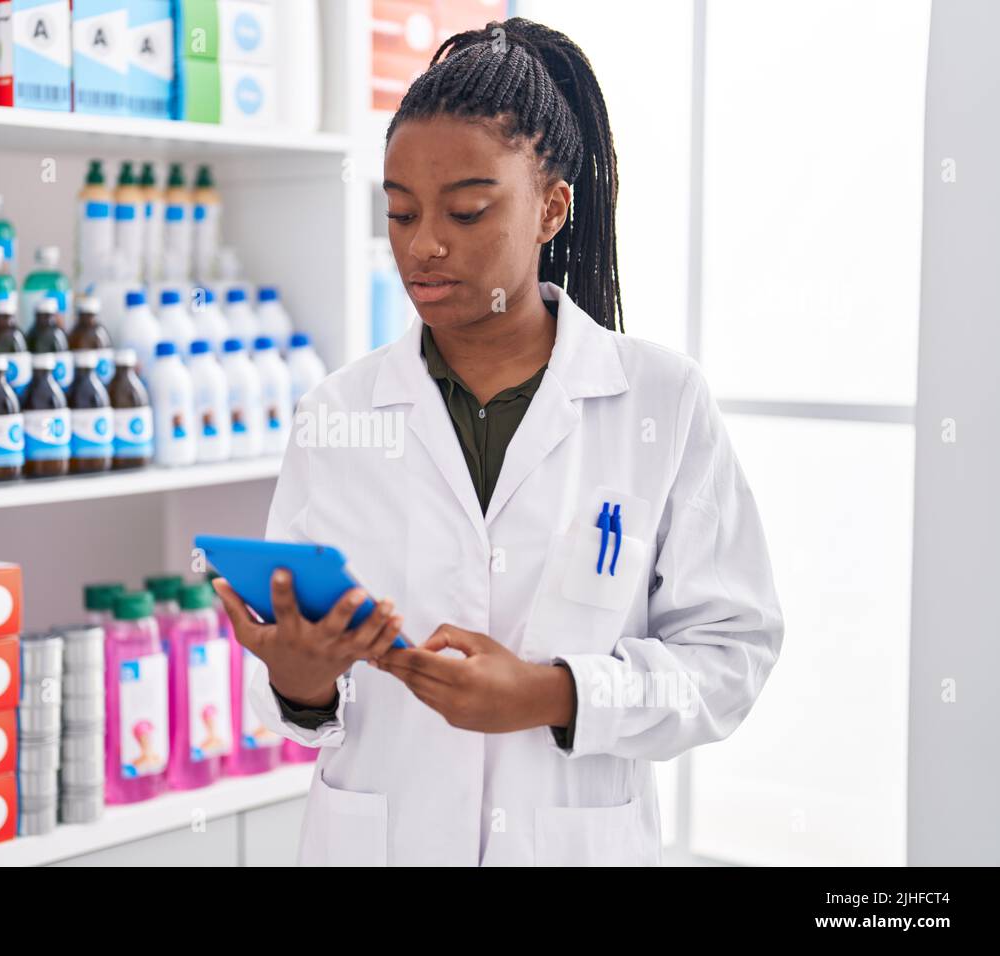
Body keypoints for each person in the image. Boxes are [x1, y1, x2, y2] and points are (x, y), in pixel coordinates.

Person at [214, 18, 783, 866]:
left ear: (552, 206)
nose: (424, 245)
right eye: (400, 213)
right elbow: (299, 698)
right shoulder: (338, 411)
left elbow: (731, 655)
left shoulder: (661, 401)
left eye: (468, 210)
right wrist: (297, 681)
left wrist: (554, 694)